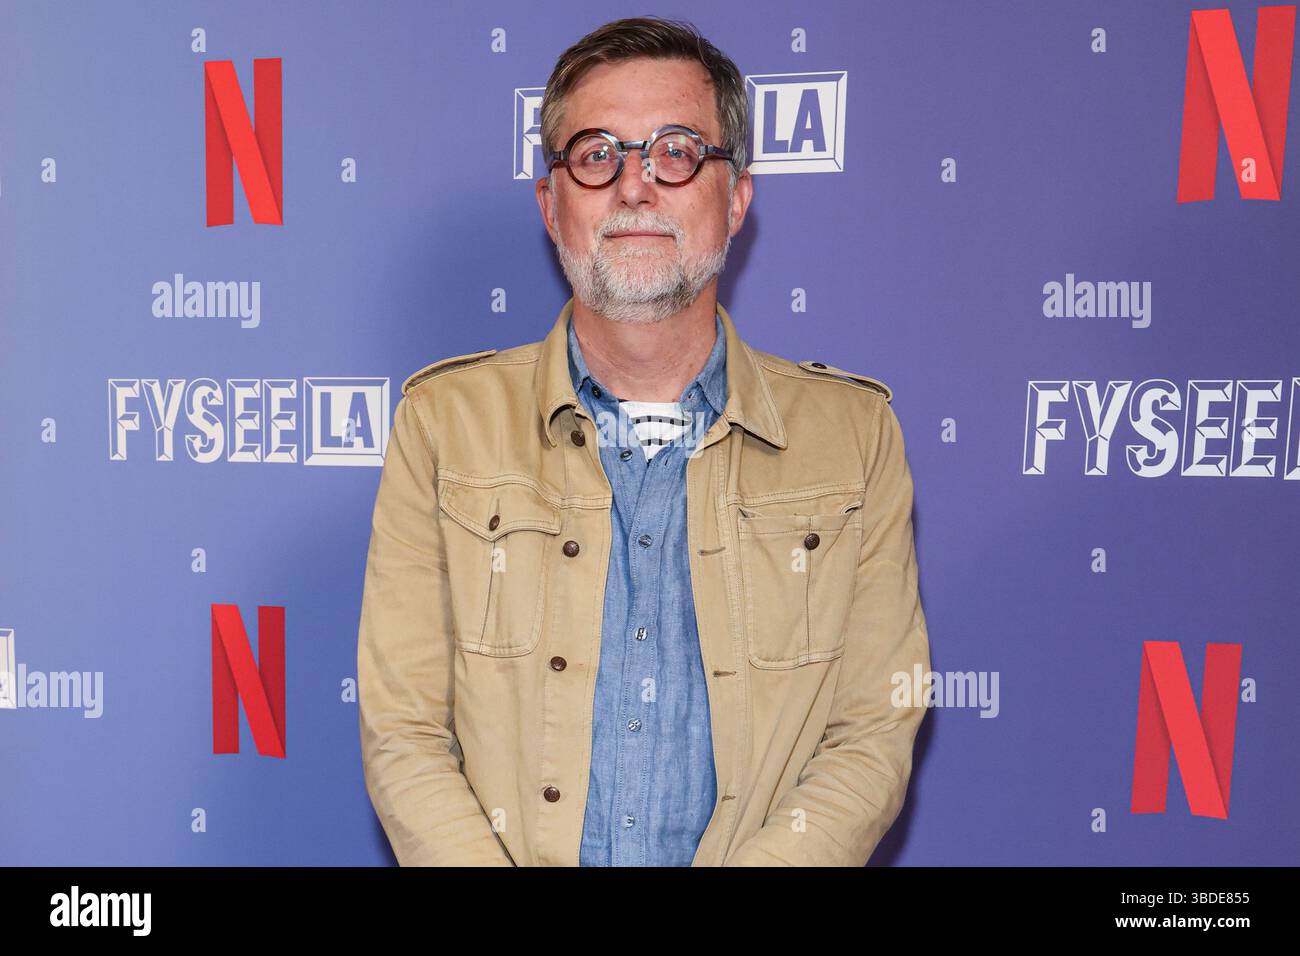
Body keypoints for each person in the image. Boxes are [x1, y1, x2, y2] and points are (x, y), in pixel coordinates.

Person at [357, 15, 931, 866]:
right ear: (551, 204)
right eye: (596, 155)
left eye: (675, 152)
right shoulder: (443, 426)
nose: (634, 188)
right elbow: (404, 732)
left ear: (735, 198)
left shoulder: (853, 438)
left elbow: (872, 731)